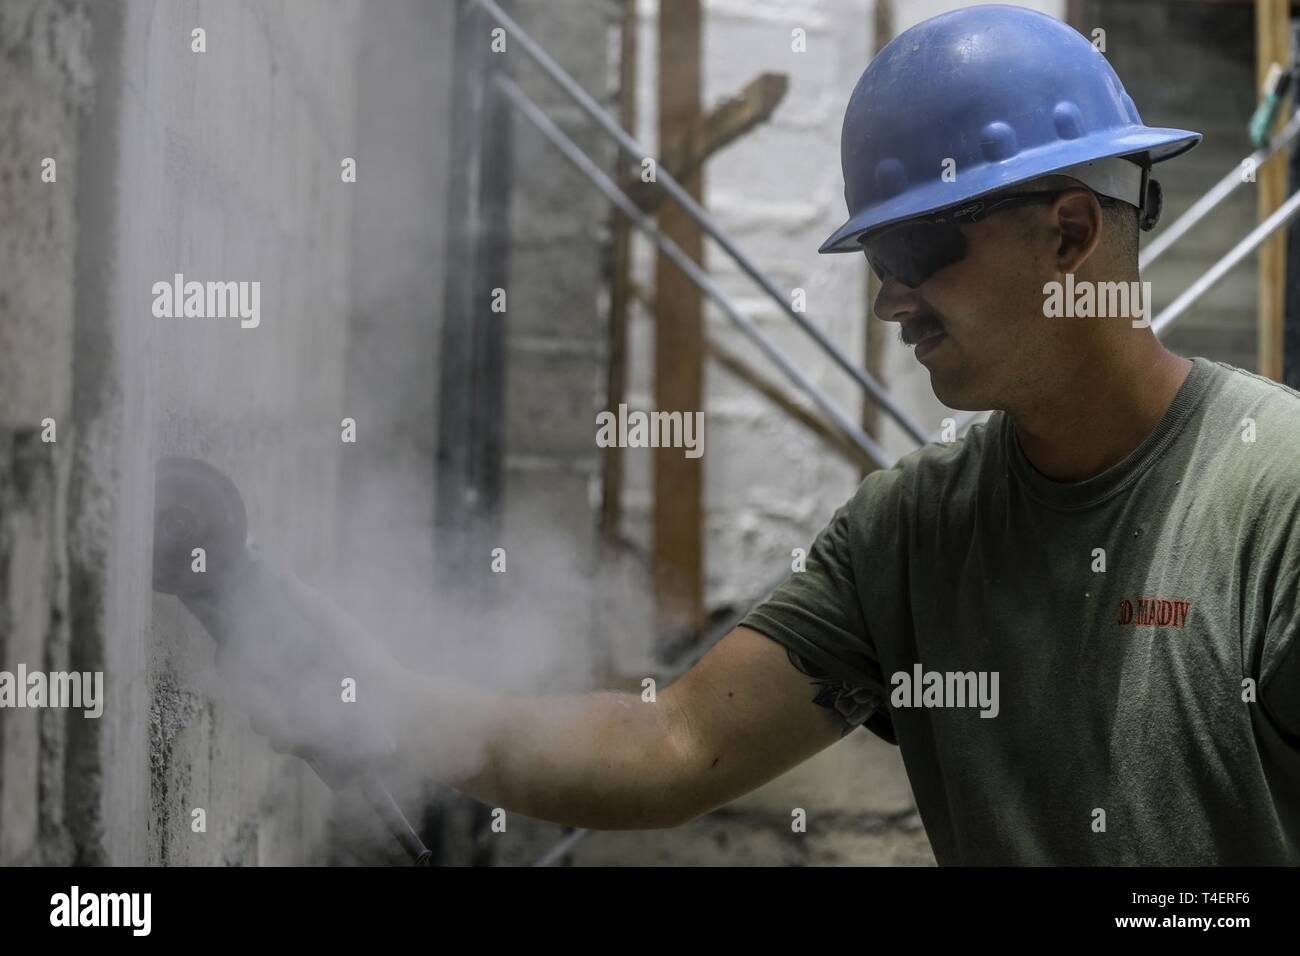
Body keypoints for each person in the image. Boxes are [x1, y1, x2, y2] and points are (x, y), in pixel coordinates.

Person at [253, 5, 1300, 865]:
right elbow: (673, 743)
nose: (891, 301)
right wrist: (376, 694)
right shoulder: (911, 531)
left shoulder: (1275, 499)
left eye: (914, 246)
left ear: (1068, 233)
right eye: (872, 258)